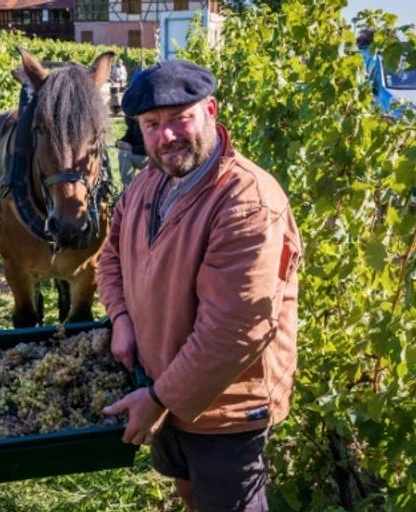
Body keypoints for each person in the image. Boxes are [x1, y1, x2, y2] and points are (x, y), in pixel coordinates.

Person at [98, 61, 301, 512]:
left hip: (225, 408)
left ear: (210, 110)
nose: (165, 136)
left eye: (179, 119)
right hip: (163, 383)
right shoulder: (149, 182)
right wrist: (122, 317)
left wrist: (159, 398)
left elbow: (233, 331)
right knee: (187, 491)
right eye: (152, 125)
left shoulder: (246, 203)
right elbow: (110, 256)